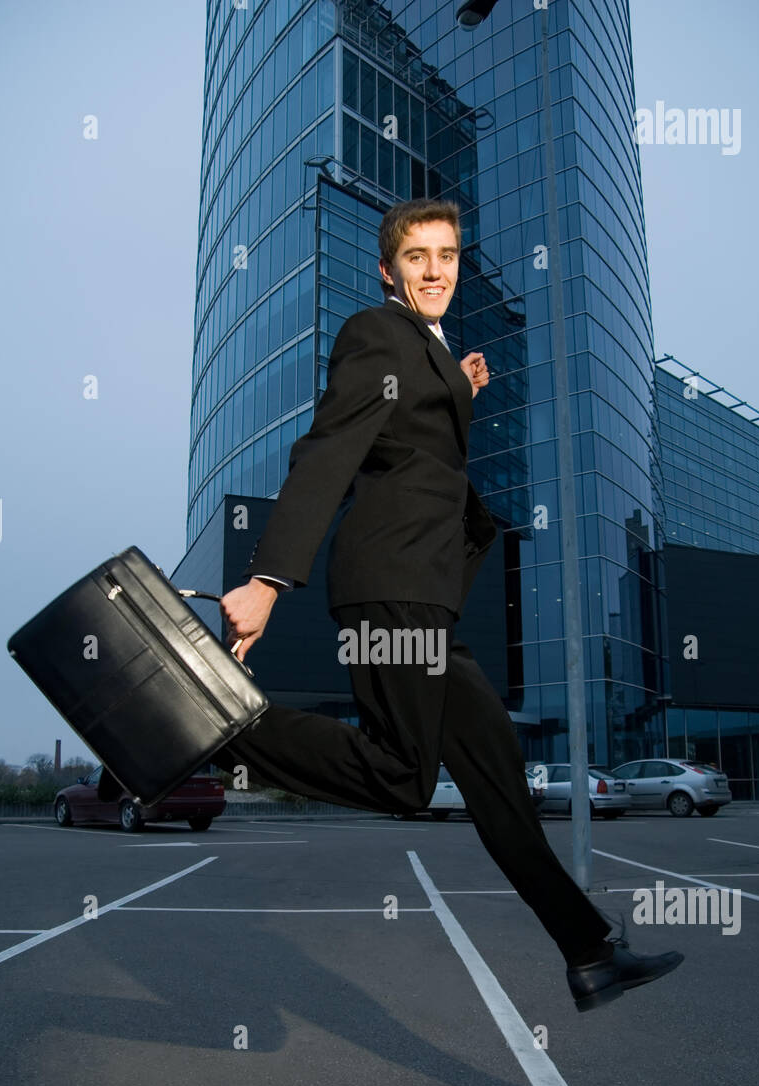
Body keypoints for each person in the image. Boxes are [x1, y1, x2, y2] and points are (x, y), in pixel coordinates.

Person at [217, 197, 683, 1012]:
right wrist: (269, 580)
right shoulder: (375, 335)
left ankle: (590, 953)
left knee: (499, 776)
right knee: (403, 774)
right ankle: (218, 729)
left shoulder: (425, 351)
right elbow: (330, 451)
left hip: (424, 595)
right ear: (389, 268)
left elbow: (418, 448)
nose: (436, 270)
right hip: (389, 588)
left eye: (449, 255)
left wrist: (457, 390)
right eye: (418, 256)